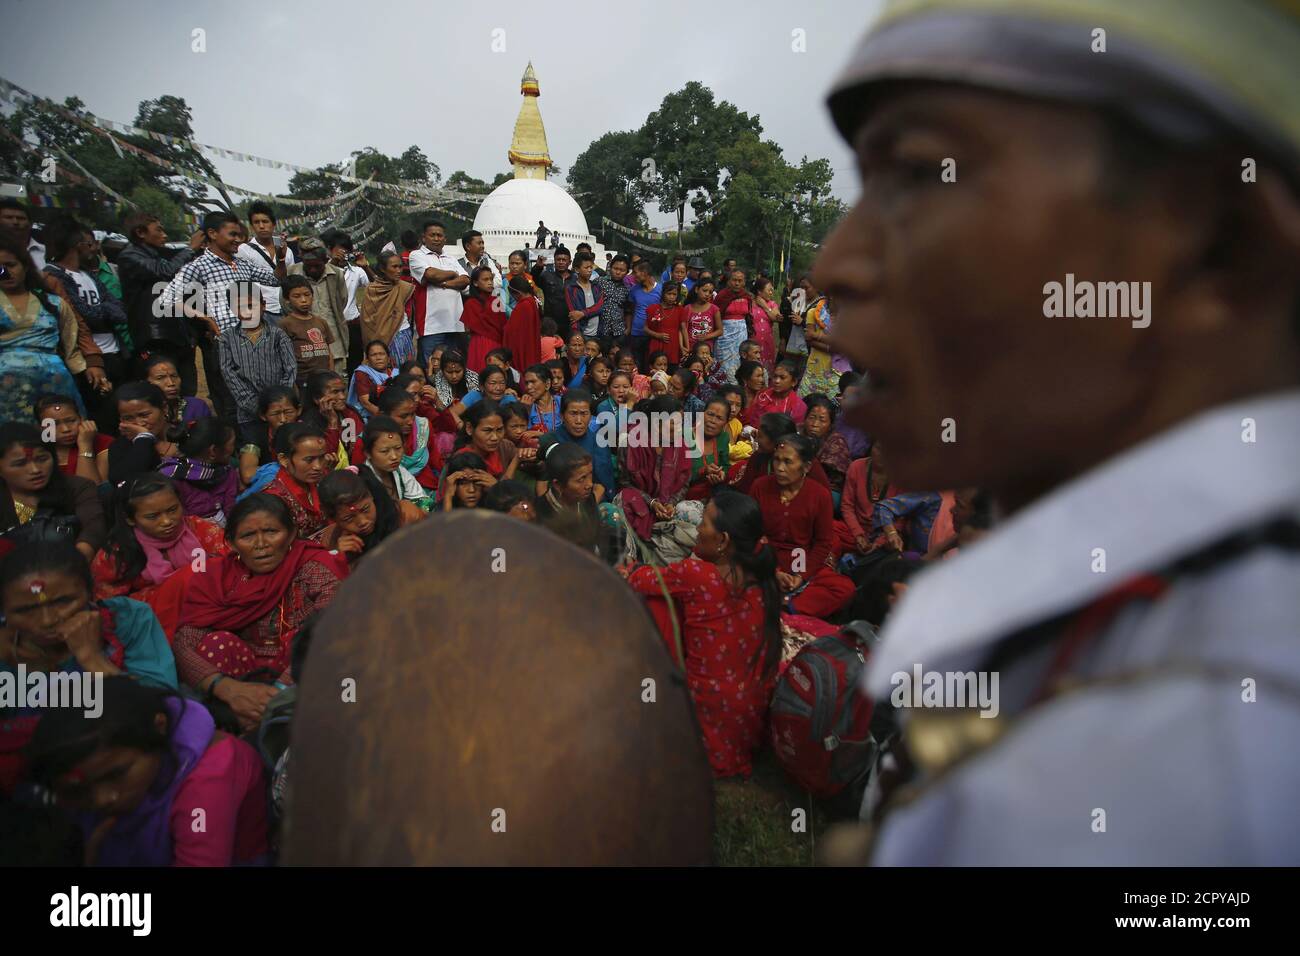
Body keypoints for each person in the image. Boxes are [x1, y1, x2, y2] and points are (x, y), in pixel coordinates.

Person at [818, 0, 1300, 865]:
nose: (834, 264)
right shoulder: (1119, 645)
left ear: (1222, 247)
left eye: (923, 173)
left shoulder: (1190, 756)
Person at [26, 676, 268, 867]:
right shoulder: (120, 748)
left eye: (116, 775)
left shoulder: (207, 784)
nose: (104, 798)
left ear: (160, 728)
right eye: (80, 789)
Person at [623, 490, 781, 777]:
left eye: (704, 523)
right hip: (746, 732)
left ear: (723, 541)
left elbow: (639, 579)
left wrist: (629, 568)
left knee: (656, 603)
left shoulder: (697, 575)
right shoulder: (764, 580)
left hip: (700, 734)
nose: (696, 529)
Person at [0, 543, 178, 792]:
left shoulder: (128, 620)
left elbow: (162, 714)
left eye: (64, 601)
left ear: (91, 592)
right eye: (25, 610)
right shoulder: (6, 653)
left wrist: (91, 658)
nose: (48, 620)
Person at [174, 494, 347, 731]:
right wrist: (228, 689)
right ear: (232, 543)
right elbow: (185, 640)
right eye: (247, 536)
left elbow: (333, 629)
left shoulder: (314, 565)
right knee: (215, 644)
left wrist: (277, 694)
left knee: (311, 641)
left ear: (291, 534)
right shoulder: (217, 576)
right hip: (243, 677)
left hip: (301, 672)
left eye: (271, 532)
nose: (261, 544)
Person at [159, 211, 286, 424]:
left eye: (240, 235)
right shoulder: (199, 265)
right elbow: (167, 299)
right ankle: (235, 448)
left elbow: (276, 279)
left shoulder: (242, 263)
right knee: (231, 404)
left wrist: (281, 258)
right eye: (233, 234)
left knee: (259, 398)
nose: (239, 239)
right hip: (226, 344)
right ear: (213, 234)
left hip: (254, 341)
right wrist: (206, 319)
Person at [90, 474, 229, 638]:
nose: (166, 521)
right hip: (152, 626)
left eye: (172, 510)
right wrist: (170, 591)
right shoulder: (117, 553)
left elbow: (232, 565)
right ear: (130, 519)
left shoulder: (199, 528)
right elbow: (108, 605)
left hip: (210, 611)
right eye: (153, 516)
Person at [0, 231, 102, 425]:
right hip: (5, 388)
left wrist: (91, 367)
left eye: (11, 265)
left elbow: (71, 346)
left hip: (54, 383)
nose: (5, 272)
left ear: (25, 266)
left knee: (60, 436)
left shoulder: (53, 303)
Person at [750, 434, 854, 620]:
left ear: (806, 467)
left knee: (844, 588)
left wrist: (800, 576)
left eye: (788, 462)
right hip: (763, 558)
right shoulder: (760, 486)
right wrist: (773, 572)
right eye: (777, 460)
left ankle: (788, 606)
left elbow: (823, 542)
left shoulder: (820, 495)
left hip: (800, 560)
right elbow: (750, 534)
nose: (780, 468)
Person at [41, 218, 129, 428]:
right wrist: (93, 361)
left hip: (114, 352)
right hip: (87, 360)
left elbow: (118, 309)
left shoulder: (90, 275)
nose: (94, 249)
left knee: (122, 412)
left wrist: (100, 312)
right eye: (90, 244)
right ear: (77, 246)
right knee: (102, 417)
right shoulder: (53, 277)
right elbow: (76, 318)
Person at [117, 211, 203, 391]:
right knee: (164, 390)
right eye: (159, 230)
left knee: (186, 389)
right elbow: (165, 271)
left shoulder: (158, 254)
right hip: (156, 338)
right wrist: (190, 249)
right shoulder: (130, 257)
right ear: (141, 233)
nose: (165, 235)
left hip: (178, 334)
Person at [0, 422, 106, 562]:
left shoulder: (77, 487)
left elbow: (94, 526)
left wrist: (77, 558)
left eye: (42, 459)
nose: (35, 470)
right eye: (20, 464)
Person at [217, 281, 298, 449]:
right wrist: (255, 406)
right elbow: (229, 374)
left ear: (263, 306)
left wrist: (278, 403)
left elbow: (290, 369)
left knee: (285, 448)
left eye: (251, 305)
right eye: (240, 306)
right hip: (248, 414)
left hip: (281, 412)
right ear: (232, 310)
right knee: (255, 451)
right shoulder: (226, 339)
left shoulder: (278, 335)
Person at [157, 416, 239, 527]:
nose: (234, 449)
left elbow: (231, 511)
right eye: (232, 444)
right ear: (213, 451)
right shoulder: (171, 478)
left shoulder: (227, 472)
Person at [409, 221, 469, 364]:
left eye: (440, 235)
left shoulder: (451, 258)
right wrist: (453, 273)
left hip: (455, 324)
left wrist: (443, 283)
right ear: (424, 238)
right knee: (432, 368)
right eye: (433, 235)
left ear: (445, 239)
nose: (436, 238)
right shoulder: (417, 255)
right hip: (431, 326)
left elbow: (465, 280)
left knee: (453, 367)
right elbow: (430, 274)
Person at [283, 240, 347, 375]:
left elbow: (342, 301)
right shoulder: (292, 272)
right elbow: (285, 303)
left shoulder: (336, 274)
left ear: (325, 261)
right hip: (304, 346)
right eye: (308, 266)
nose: (312, 269)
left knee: (335, 379)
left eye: (317, 266)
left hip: (333, 339)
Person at [318, 467, 403, 563]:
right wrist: (338, 558)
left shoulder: (406, 515)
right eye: (348, 519)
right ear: (333, 519)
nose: (363, 522)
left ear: (371, 496)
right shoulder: (331, 541)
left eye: (366, 509)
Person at [105, 382, 184, 485]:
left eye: (144, 415)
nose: (139, 423)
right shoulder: (120, 446)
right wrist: (144, 438)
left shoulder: (187, 434)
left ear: (164, 408)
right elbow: (121, 481)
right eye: (128, 418)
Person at [262, 423, 329, 540]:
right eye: (309, 459)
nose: (318, 466)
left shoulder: (322, 479)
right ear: (283, 459)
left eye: (322, 457)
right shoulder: (273, 500)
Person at [359, 415, 434, 517]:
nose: (394, 456)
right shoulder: (362, 481)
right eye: (384, 451)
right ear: (368, 453)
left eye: (398, 448)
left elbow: (424, 501)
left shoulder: (400, 472)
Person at [534, 441, 603, 551]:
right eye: (581, 479)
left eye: (590, 475)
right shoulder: (540, 515)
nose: (590, 484)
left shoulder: (587, 499)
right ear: (558, 485)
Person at [237, 200, 293, 326]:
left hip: (286, 308)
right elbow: (243, 284)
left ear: (273, 225)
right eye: (257, 222)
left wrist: (281, 258)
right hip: (261, 310)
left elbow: (290, 279)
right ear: (251, 226)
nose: (261, 226)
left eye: (265, 221)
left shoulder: (287, 250)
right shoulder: (244, 250)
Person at [33, 393, 111, 482]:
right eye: (54, 424)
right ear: (40, 428)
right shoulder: (36, 453)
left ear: (81, 419)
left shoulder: (103, 443)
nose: (65, 429)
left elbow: (92, 490)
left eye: (71, 421)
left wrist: (85, 446)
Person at [552, 388, 613, 501]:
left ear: (591, 416)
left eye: (584, 414)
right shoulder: (551, 441)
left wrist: (588, 510)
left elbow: (603, 485)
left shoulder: (599, 442)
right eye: (573, 414)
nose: (579, 420)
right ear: (561, 416)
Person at [325, 230, 373, 371]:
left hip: (352, 322)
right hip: (331, 324)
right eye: (339, 250)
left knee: (355, 361)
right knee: (333, 361)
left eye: (346, 250)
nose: (343, 254)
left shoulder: (356, 271)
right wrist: (333, 262)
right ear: (330, 250)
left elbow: (376, 285)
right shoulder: (323, 269)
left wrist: (365, 266)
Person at [236, 385, 301, 489]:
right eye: (275, 414)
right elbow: (248, 474)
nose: (283, 419)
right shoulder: (256, 434)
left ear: (299, 410)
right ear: (263, 415)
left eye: (288, 412)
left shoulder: (306, 434)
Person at [278, 274, 336, 390]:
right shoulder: (285, 324)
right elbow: (283, 358)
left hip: (324, 379)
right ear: (287, 300)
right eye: (297, 296)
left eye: (307, 295)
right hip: (302, 380)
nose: (303, 300)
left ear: (312, 296)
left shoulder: (321, 322)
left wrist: (331, 375)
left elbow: (329, 353)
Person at [359, 250, 416, 367]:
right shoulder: (372, 290)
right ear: (383, 269)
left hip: (403, 335)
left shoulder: (402, 287)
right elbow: (367, 321)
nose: (399, 271)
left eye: (400, 267)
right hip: (382, 343)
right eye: (394, 267)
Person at [301, 370, 363, 468]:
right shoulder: (307, 424)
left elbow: (357, 447)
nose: (342, 397)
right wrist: (332, 424)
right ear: (317, 398)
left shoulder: (349, 413)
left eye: (343, 391)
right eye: (335, 392)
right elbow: (328, 460)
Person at [449, 399, 518, 481]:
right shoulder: (462, 459)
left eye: (499, 430)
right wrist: (494, 487)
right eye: (487, 430)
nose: (495, 437)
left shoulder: (505, 447)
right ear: (469, 428)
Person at [801, 394, 852, 497]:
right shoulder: (798, 431)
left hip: (828, 488)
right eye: (811, 418)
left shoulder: (836, 442)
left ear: (830, 425)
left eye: (822, 420)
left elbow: (831, 477)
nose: (815, 424)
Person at [142, 354, 211, 429]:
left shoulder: (197, 406)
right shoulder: (141, 412)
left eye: (174, 376)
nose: (171, 383)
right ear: (146, 382)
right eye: (160, 378)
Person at [683, 395, 731, 501]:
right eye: (710, 414)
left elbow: (725, 465)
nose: (713, 421)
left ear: (725, 424)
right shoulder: (685, 436)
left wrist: (721, 474)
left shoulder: (723, 438)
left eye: (719, 418)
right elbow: (677, 475)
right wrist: (703, 472)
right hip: (686, 495)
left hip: (714, 492)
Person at [461, 266, 507, 372]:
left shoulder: (496, 301)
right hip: (478, 344)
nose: (490, 282)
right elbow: (467, 329)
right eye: (485, 280)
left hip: (496, 344)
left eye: (491, 279)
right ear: (476, 283)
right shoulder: (471, 303)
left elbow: (503, 325)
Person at [799, 293, 842, 397]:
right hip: (815, 368)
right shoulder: (813, 312)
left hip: (838, 371)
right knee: (806, 403)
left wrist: (815, 336)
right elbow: (809, 339)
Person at [713, 269, 753, 380]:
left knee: (739, 363)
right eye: (734, 280)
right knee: (723, 365)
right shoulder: (722, 296)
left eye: (740, 281)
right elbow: (715, 317)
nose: (737, 283)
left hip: (741, 334)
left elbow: (749, 317)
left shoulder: (747, 296)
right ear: (729, 281)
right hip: (724, 336)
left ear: (744, 282)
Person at [743, 359, 807, 427]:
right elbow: (750, 419)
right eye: (775, 376)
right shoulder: (762, 395)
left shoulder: (798, 407)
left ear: (794, 382)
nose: (777, 381)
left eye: (782, 378)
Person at [501, 273, 543, 373]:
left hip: (522, 350)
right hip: (530, 347)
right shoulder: (533, 301)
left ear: (517, 293)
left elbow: (512, 332)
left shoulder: (523, 306)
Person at [531, 246, 573, 340]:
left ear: (569, 262)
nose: (561, 262)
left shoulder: (575, 279)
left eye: (564, 260)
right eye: (558, 259)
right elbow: (533, 278)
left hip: (570, 322)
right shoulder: (546, 276)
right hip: (550, 322)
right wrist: (538, 267)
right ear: (554, 261)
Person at [625, 259, 662, 368]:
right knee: (637, 364)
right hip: (636, 334)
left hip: (653, 334)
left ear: (644, 273)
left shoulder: (660, 290)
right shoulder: (634, 290)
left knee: (650, 364)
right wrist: (629, 328)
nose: (633, 276)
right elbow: (631, 311)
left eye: (635, 272)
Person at [349, 339, 398, 420]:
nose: (378, 358)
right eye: (373, 355)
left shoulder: (397, 373)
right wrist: (388, 419)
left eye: (381, 354)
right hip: (370, 418)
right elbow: (366, 403)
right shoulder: (362, 373)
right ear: (367, 360)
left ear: (388, 358)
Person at [564, 251, 605, 338]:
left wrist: (583, 313)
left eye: (591, 267)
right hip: (581, 334)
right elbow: (573, 314)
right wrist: (576, 335)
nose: (590, 270)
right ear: (577, 269)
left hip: (597, 333)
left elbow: (601, 307)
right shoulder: (571, 289)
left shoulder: (596, 287)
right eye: (586, 267)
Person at [645, 280, 685, 367]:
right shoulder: (653, 308)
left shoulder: (680, 310)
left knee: (671, 369)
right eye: (669, 294)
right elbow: (645, 328)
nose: (671, 297)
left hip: (673, 346)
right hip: (657, 344)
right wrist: (657, 335)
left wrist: (684, 346)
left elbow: (682, 330)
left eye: (674, 294)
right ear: (663, 293)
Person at [0, 198, 45, 269]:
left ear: (30, 224)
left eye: (21, 218)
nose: (15, 222)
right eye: (8, 217)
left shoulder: (46, 253)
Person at [594, 254, 631, 339]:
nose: (618, 272)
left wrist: (628, 329)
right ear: (610, 267)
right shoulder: (599, 282)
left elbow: (628, 311)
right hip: (600, 330)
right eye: (615, 268)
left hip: (619, 331)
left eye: (622, 270)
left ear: (627, 272)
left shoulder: (627, 289)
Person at [749, 275, 780, 373]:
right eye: (769, 290)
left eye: (772, 290)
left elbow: (775, 318)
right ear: (759, 291)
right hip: (752, 342)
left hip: (767, 342)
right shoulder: (749, 303)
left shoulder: (772, 304)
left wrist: (765, 306)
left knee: (767, 371)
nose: (771, 292)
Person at [457, 230, 502, 296]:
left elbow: (498, 282)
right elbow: (462, 289)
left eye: (482, 243)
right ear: (468, 246)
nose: (482, 246)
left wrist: (474, 285)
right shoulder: (458, 264)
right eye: (479, 243)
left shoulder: (489, 261)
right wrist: (486, 285)